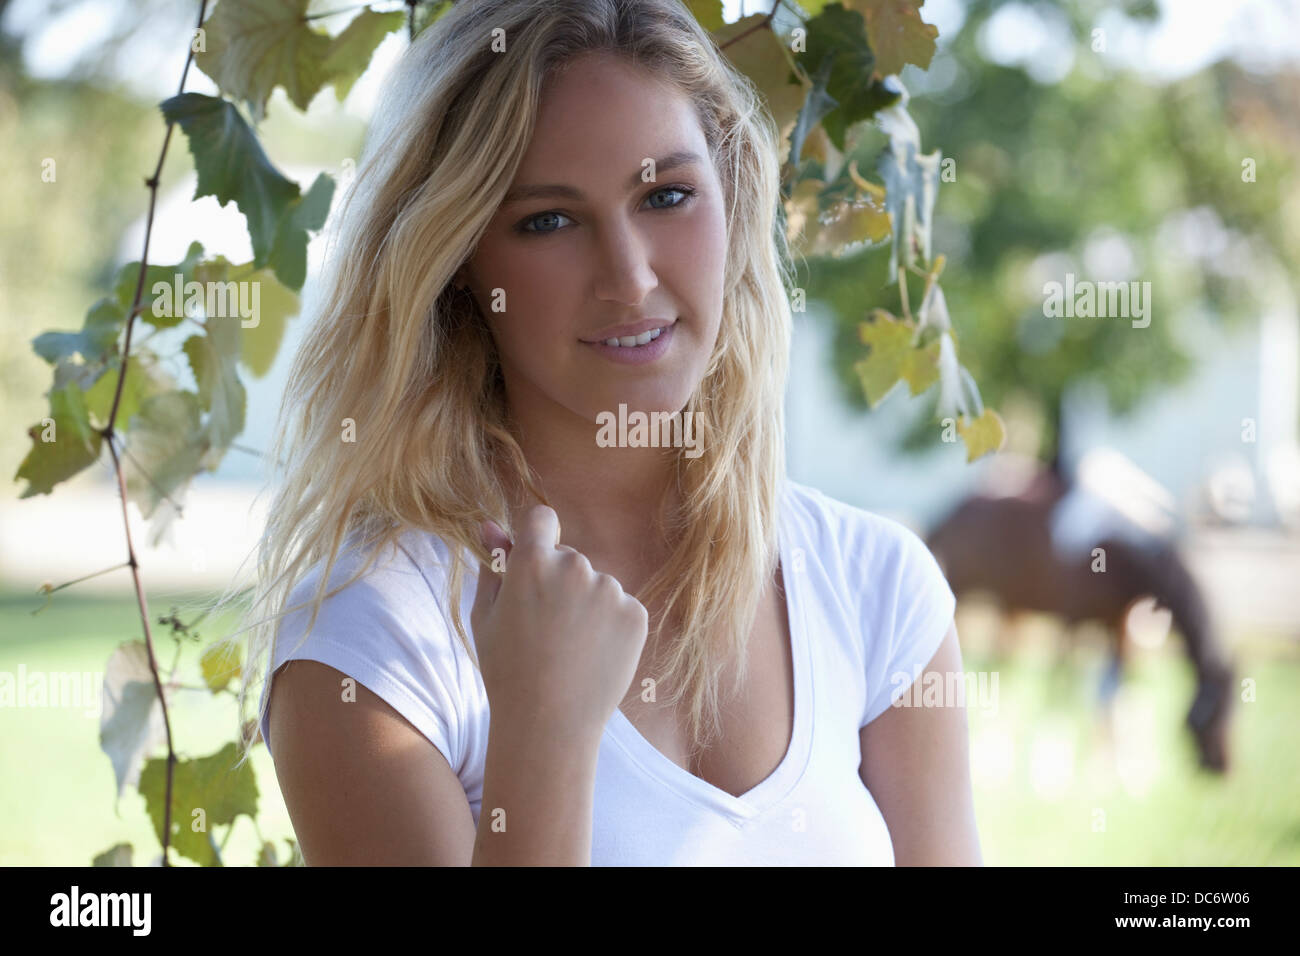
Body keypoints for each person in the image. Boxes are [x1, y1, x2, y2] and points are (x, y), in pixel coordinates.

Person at [227, 0, 982, 866]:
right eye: (548, 220)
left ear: (732, 204)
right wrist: (545, 728)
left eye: (666, 196)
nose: (629, 278)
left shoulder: (878, 589)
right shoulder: (372, 642)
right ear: (460, 263)